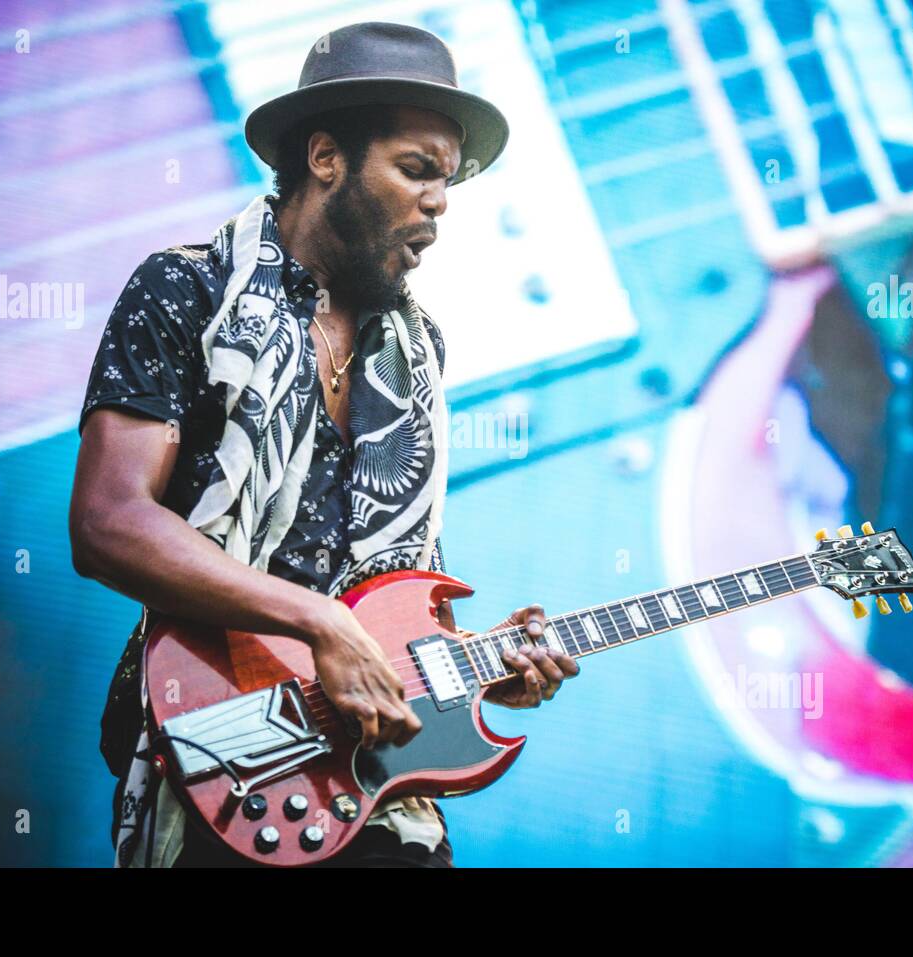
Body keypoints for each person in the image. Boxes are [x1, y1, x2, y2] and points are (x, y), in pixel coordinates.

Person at [69, 21, 578, 868]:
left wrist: (484, 660)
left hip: (378, 787)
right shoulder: (185, 291)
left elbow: (399, 593)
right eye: (416, 170)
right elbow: (108, 522)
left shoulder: (417, 355)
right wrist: (319, 626)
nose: (440, 201)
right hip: (221, 750)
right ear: (326, 157)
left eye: (448, 181)